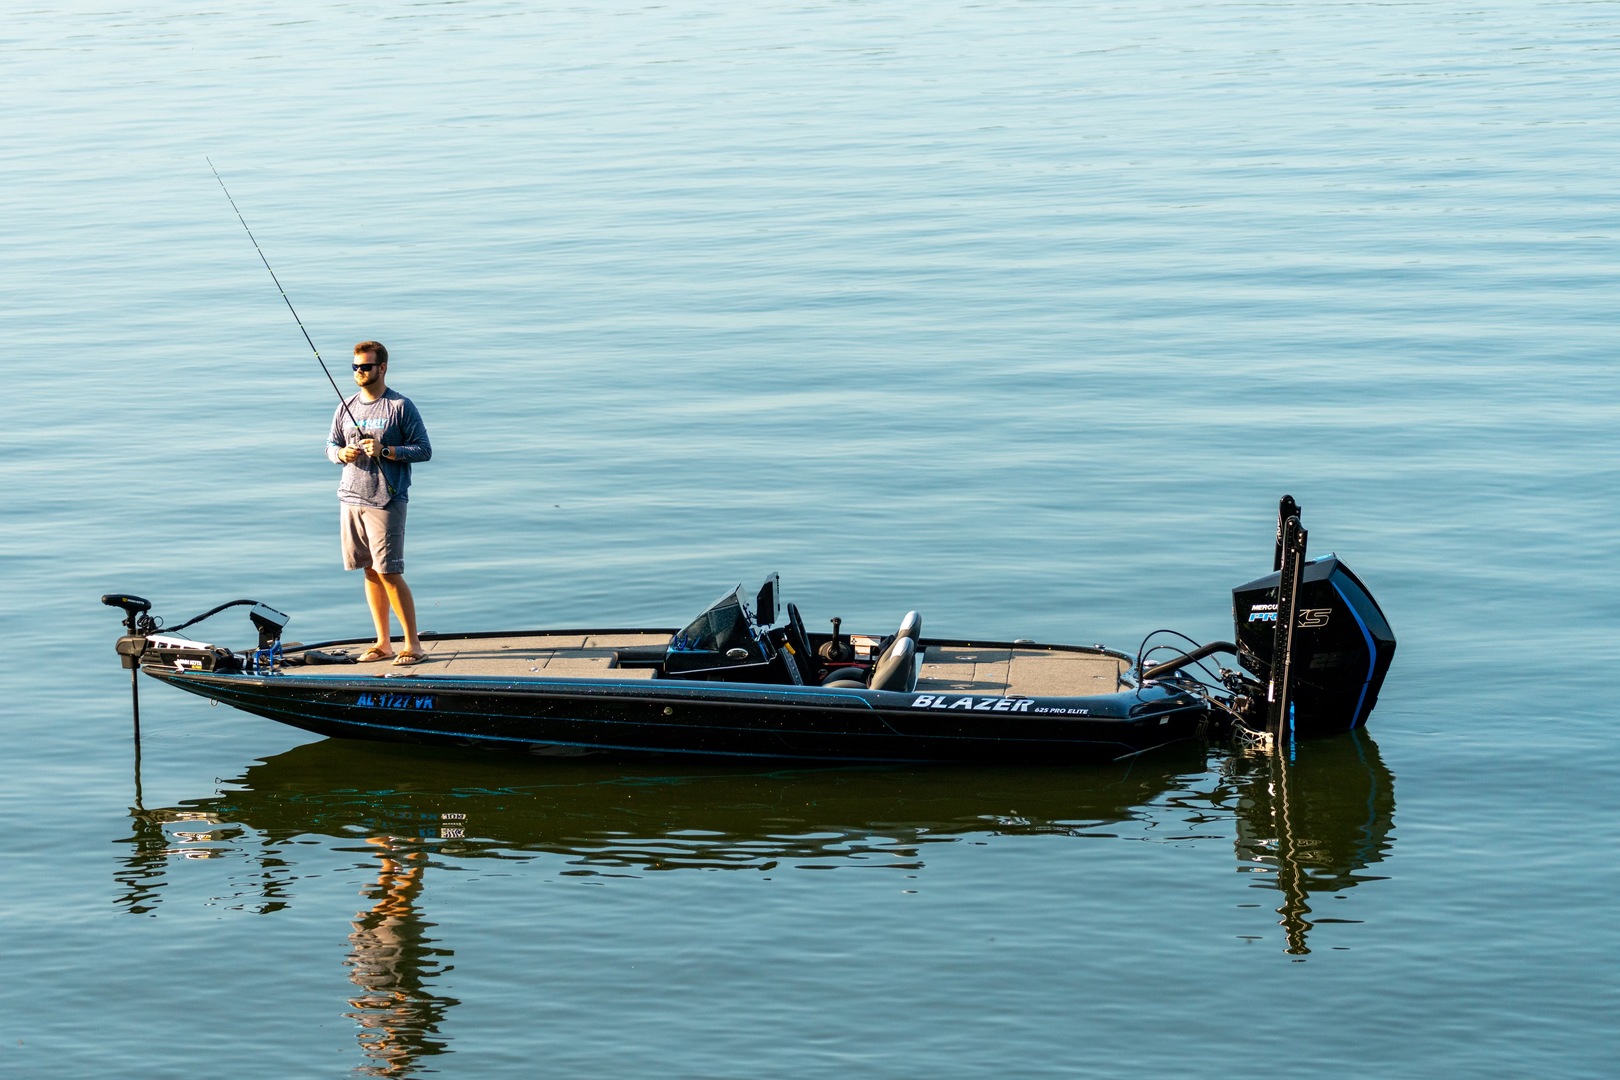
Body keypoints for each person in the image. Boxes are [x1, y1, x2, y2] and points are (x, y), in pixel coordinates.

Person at [326, 341, 432, 665]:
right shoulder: (345, 406)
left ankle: (412, 644)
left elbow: (424, 450)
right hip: (351, 498)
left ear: (381, 368)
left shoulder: (399, 406)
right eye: (355, 367)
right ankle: (383, 642)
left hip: (386, 500)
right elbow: (330, 444)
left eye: (366, 367)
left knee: (390, 572)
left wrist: (387, 451)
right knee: (370, 571)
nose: (360, 372)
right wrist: (340, 455)